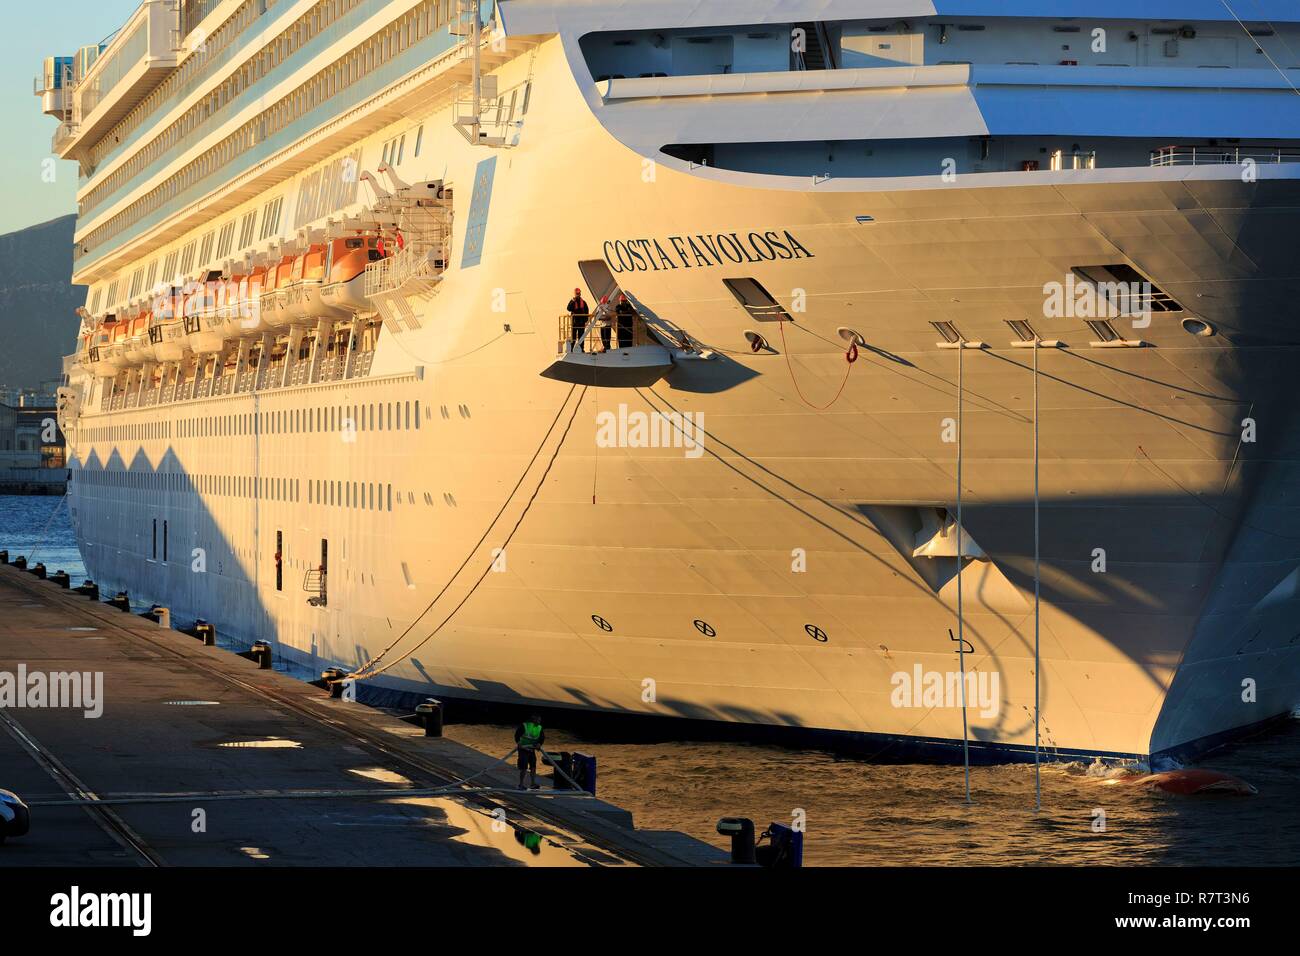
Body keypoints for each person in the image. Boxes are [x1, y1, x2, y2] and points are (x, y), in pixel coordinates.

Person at [515, 714, 545, 790]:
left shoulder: (539, 728)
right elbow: (517, 735)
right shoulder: (525, 726)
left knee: (533, 766)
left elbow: (542, 737)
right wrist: (518, 743)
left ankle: (532, 783)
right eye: (538, 720)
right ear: (533, 720)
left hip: (532, 749)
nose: (539, 722)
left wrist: (539, 744)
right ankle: (521, 784)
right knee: (524, 767)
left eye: (539, 720)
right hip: (523, 749)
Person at [566, 287, 589, 352]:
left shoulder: (583, 302)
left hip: (581, 322)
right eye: (577, 293)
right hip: (575, 322)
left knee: (581, 336)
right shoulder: (572, 301)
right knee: (573, 336)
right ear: (575, 294)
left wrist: (585, 320)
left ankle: (581, 349)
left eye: (579, 293)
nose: (578, 295)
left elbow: (587, 311)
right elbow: (568, 308)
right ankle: (571, 349)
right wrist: (572, 301)